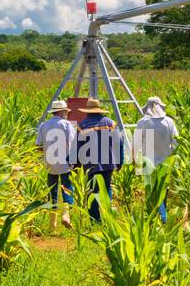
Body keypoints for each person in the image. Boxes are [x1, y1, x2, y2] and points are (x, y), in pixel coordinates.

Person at [75, 97, 125, 222]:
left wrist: (76, 164)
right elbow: (119, 143)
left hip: (91, 165)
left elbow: (78, 146)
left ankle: (95, 220)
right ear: (99, 111)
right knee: (107, 188)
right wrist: (120, 161)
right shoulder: (110, 123)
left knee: (93, 191)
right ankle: (108, 217)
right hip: (109, 163)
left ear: (87, 111)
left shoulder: (82, 125)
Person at [133, 96, 178, 222]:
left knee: (151, 193)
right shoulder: (169, 122)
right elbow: (176, 142)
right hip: (165, 163)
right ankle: (161, 218)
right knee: (163, 191)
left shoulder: (142, 122)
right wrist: (169, 155)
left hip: (148, 163)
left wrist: (134, 159)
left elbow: (136, 144)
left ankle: (160, 219)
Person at [35, 99, 77, 229]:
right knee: (67, 188)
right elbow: (73, 144)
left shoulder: (44, 125)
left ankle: (52, 223)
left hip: (49, 163)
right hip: (65, 163)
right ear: (62, 112)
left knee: (52, 190)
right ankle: (65, 215)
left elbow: (38, 146)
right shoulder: (67, 125)